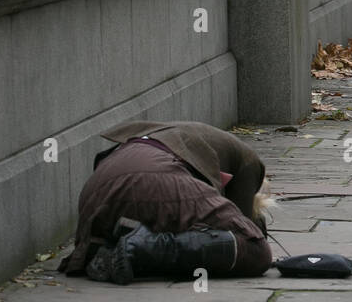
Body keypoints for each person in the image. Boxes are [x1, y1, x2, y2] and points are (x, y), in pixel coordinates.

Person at [61, 121, 274, 285]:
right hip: (158, 176)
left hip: (98, 186)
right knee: (256, 251)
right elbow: (243, 228)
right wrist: (255, 226)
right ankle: (139, 248)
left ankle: (109, 246)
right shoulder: (249, 160)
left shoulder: (181, 131)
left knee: (172, 222)